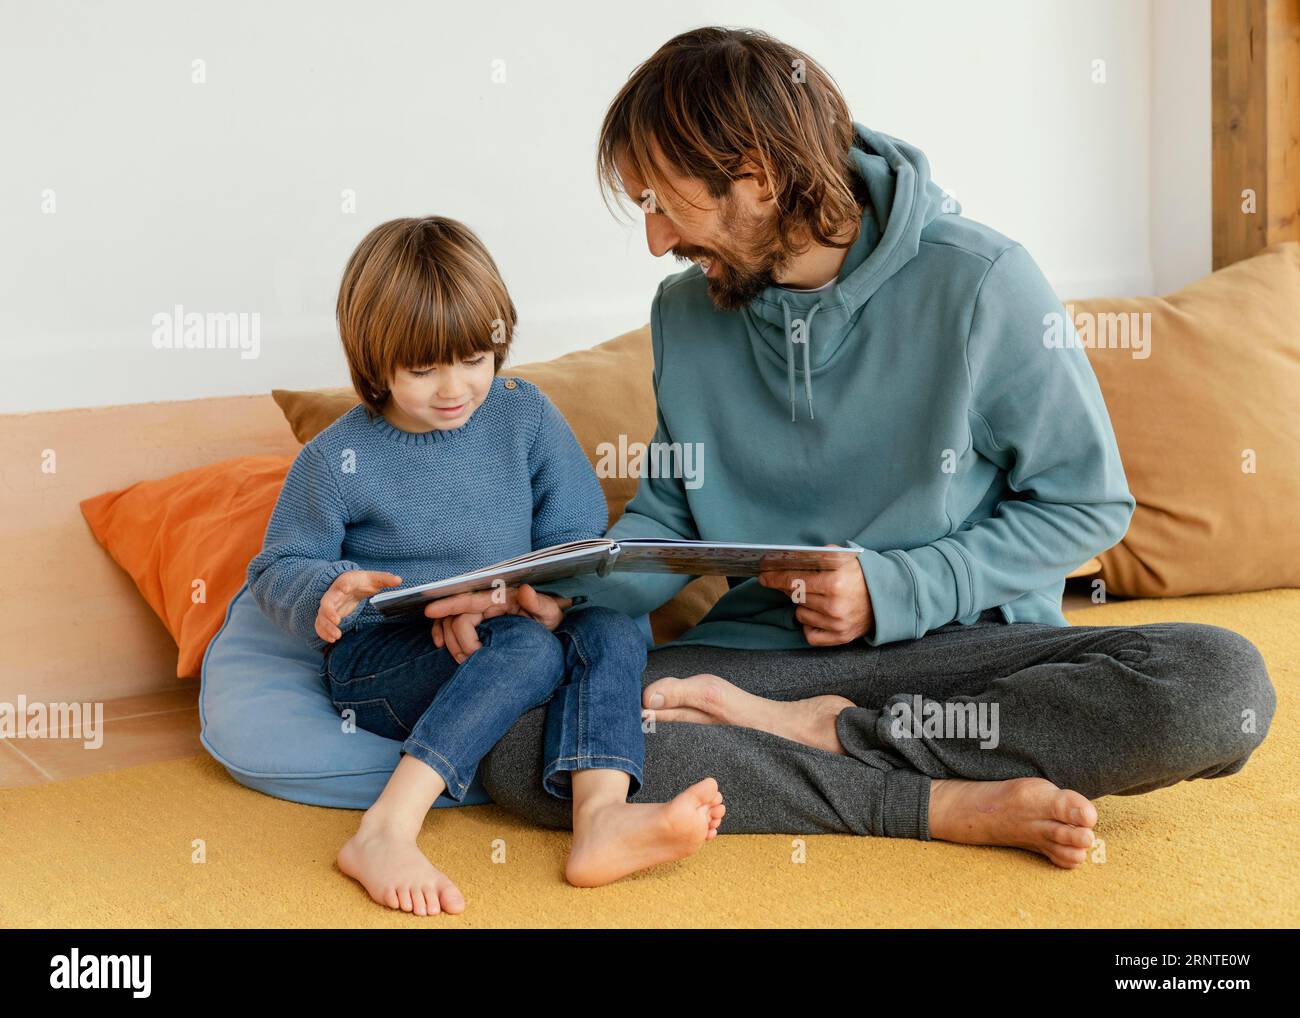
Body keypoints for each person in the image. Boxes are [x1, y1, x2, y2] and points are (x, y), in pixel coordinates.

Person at [425, 28, 1275, 869]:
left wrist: (897, 586)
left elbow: (1087, 507)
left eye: (662, 202)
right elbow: (669, 522)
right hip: (760, 668)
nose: (655, 241)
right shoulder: (686, 315)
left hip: (963, 654)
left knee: (1216, 684)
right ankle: (937, 802)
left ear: (756, 177)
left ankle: (830, 738)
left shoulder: (980, 282)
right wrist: (553, 596)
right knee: (527, 743)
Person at [247, 216, 724, 916]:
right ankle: (385, 829)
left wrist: (541, 596)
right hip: (386, 658)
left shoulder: (522, 415)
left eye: (474, 358)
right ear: (373, 363)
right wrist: (325, 589)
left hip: (510, 623)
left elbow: (575, 535)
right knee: (531, 652)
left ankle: (600, 822)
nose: (454, 387)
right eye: (423, 368)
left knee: (615, 628)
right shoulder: (336, 458)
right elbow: (277, 566)